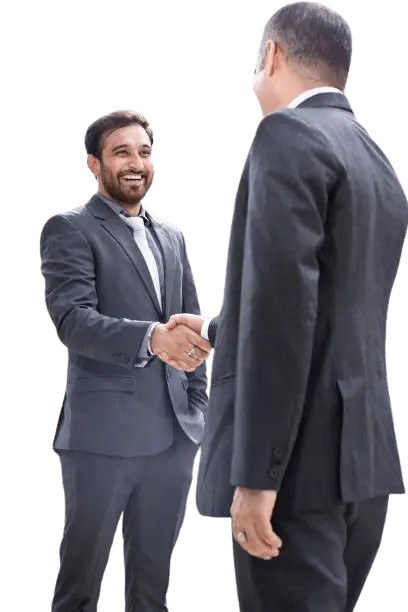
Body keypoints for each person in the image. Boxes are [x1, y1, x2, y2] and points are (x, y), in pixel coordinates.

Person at [164, 2, 408, 611]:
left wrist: (258, 476)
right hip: (362, 462)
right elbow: (330, 306)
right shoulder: (375, 157)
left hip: (296, 468)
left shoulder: (286, 135)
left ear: (272, 55)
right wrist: (220, 327)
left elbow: (282, 317)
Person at [41, 109, 211, 611]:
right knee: (79, 586)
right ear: (94, 163)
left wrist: (195, 406)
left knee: (151, 588)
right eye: (121, 152)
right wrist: (151, 338)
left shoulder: (170, 236)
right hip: (103, 438)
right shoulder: (71, 229)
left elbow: (192, 326)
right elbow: (72, 320)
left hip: (173, 438)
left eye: (143, 151)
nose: (136, 163)